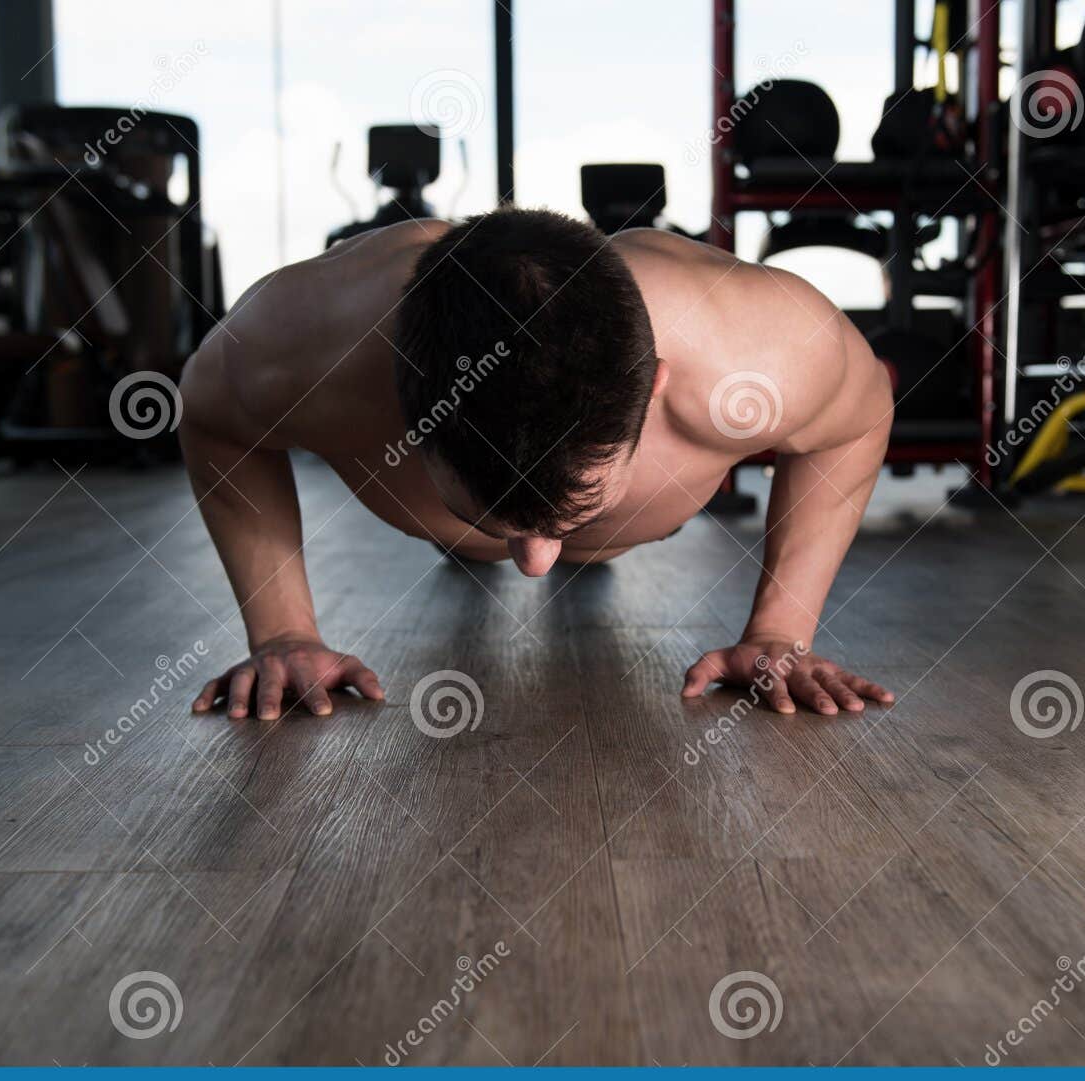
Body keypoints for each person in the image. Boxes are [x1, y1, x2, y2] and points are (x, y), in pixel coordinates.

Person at [178, 208, 896, 719]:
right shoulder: (304, 346)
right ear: (405, 406)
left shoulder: (763, 350)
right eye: (485, 514)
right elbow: (210, 419)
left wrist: (780, 629)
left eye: (577, 511)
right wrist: (283, 631)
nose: (535, 564)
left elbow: (859, 418)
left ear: (655, 387)